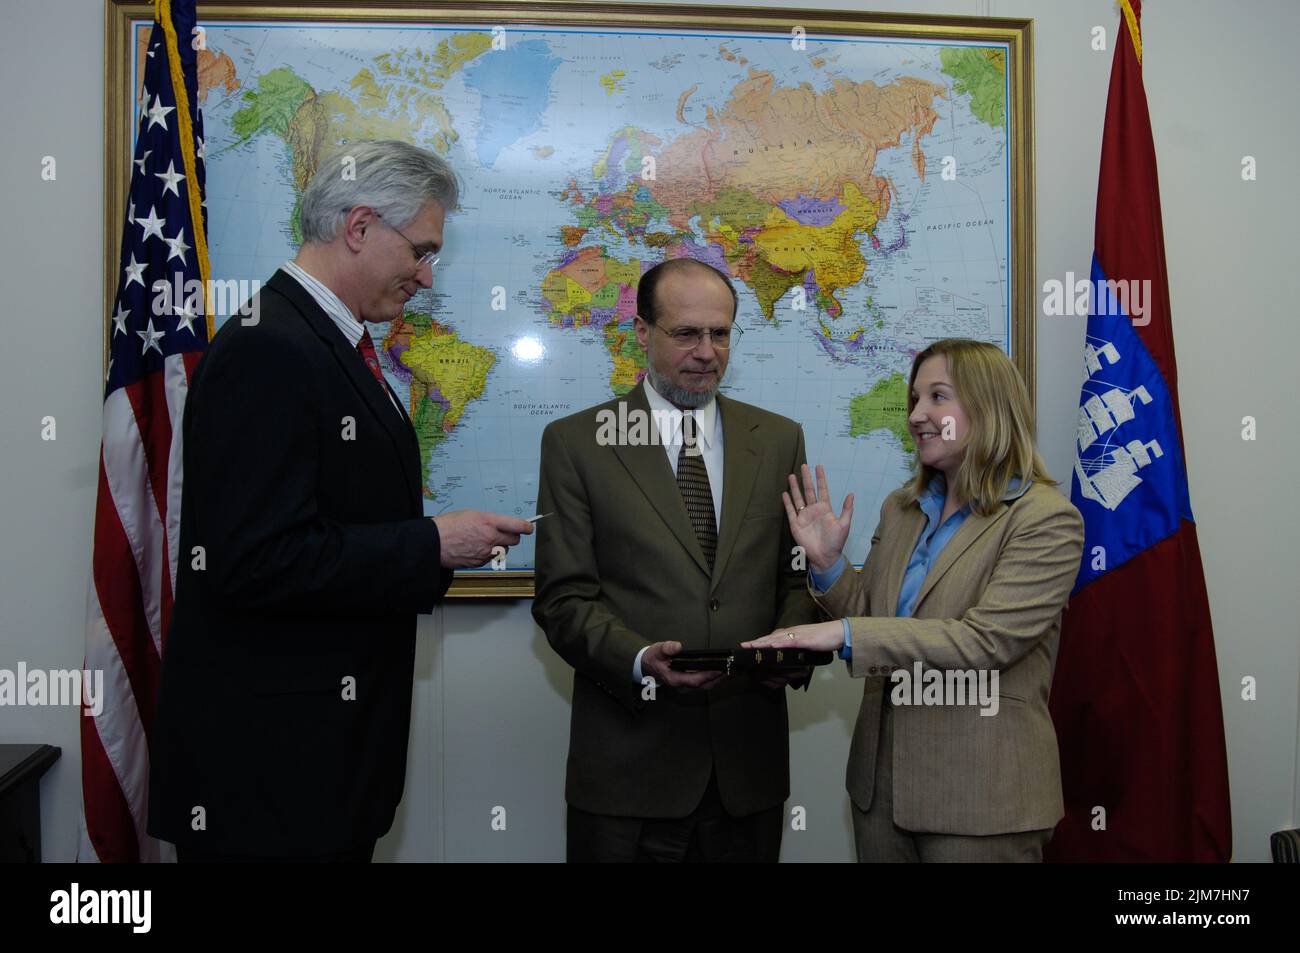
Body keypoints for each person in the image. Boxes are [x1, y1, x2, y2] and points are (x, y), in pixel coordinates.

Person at [148, 139, 533, 862]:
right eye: (420, 251)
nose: (426, 276)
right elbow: (252, 561)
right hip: (270, 780)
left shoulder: (320, 338)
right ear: (359, 226)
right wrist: (432, 543)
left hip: (317, 770)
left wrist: (432, 548)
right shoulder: (271, 347)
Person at [745, 338, 1084, 862]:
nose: (916, 415)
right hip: (881, 793)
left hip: (982, 799)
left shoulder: (1043, 519)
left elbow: (986, 642)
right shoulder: (901, 509)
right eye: (914, 399)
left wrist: (841, 633)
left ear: (989, 408)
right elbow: (874, 621)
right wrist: (829, 563)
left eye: (937, 397)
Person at [532, 258, 818, 862]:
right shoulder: (577, 443)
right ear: (642, 332)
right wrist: (640, 660)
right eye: (687, 333)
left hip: (747, 773)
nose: (707, 352)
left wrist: (791, 646)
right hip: (628, 775)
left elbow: (795, 577)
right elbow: (564, 599)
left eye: (721, 334)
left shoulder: (778, 440)